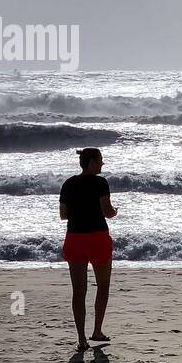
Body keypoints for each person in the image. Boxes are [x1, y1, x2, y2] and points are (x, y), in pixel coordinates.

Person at [59, 147, 117, 350]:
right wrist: (115, 211)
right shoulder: (100, 183)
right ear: (92, 162)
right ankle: (97, 330)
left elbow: (63, 214)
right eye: (100, 160)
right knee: (102, 285)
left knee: (79, 291)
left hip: (75, 238)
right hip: (97, 238)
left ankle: (82, 338)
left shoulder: (68, 183)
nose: (102, 164)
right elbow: (107, 212)